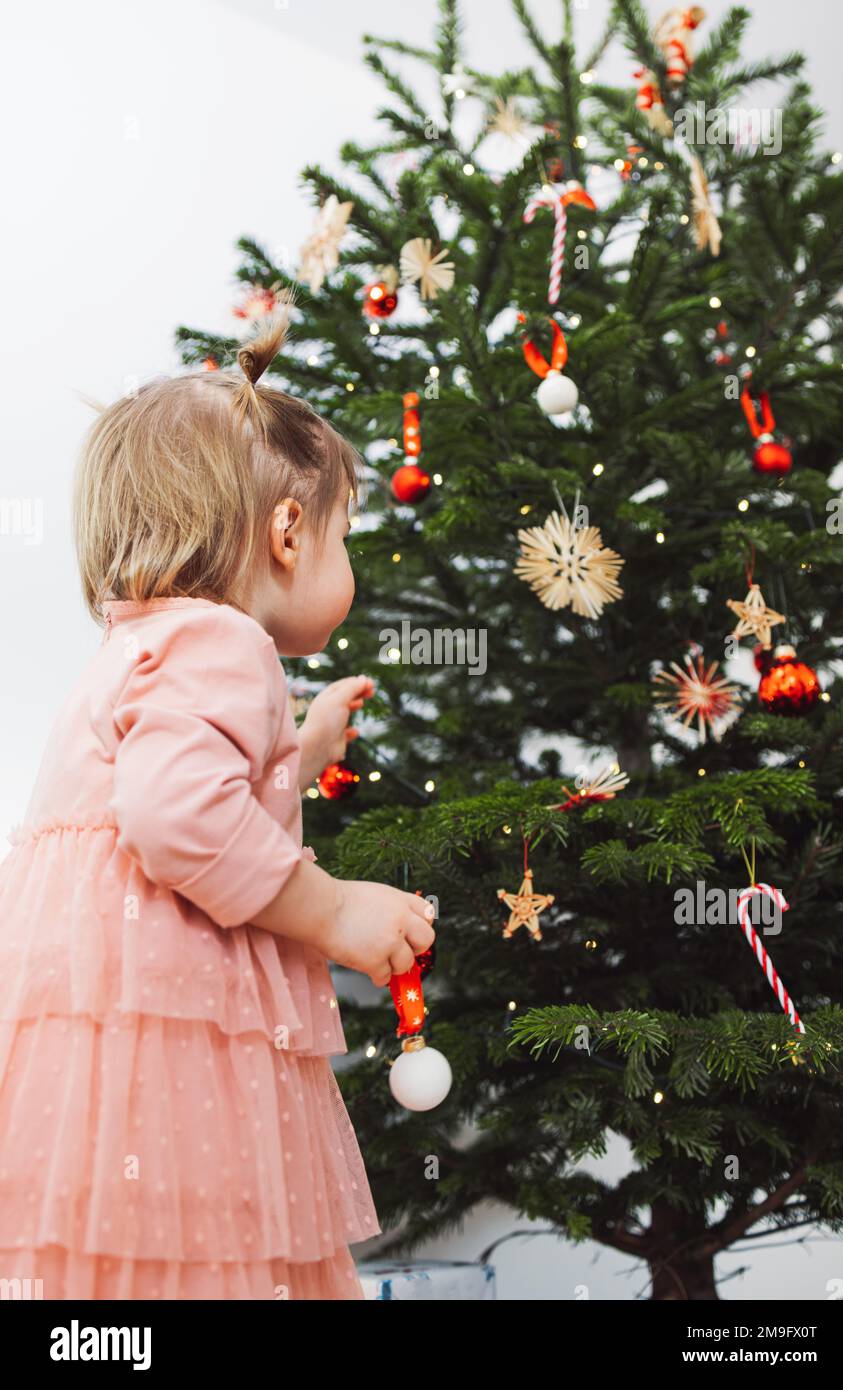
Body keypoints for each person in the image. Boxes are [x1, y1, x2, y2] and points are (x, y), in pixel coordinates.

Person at [0, 303, 435, 1300]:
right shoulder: (227, 643)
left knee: (121, 1261)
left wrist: (303, 742)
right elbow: (176, 820)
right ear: (288, 531)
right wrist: (334, 911)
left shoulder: (148, 644)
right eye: (344, 536)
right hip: (172, 1000)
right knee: (207, 1246)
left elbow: (182, 782)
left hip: (91, 1024)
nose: (346, 564)